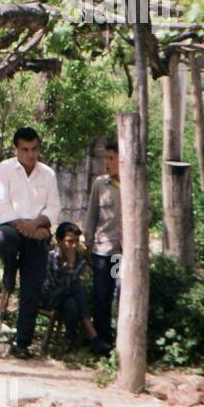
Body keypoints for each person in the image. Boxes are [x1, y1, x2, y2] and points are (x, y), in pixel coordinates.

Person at [0, 127, 61, 358]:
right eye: (25, 149)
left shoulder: (48, 174)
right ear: (15, 149)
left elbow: (54, 208)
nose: (31, 154)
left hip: (38, 231)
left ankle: (22, 343)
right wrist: (27, 227)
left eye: (35, 149)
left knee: (32, 286)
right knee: (1, 239)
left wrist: (38, 224)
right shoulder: (3, 170)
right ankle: (10, 267)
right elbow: (1, 206)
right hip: (12, 229)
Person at [83, 140, 121, 356]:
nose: (108, 162)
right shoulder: (101, 184)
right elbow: (92, 216)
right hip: (102, 251)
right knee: (101, 295)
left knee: (120, 294)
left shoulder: (132, 184)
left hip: (121, 252)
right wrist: (88, 243)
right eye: (106, 158)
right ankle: (102, 343)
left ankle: (121, 342)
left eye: (112, 158)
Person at [43, 221, 100, 349]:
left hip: (67, 297)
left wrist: (72, 262)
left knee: (72, 303)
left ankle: (68, 342)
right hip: (50, 296)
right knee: (77, 289)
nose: (74, 246)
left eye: (76, 241)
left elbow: (70, 285)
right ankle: (90, 329)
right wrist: (69, 264)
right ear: (59, 241)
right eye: (70, 241)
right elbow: (56, 285)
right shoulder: (51, 258)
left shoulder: (79, 258)